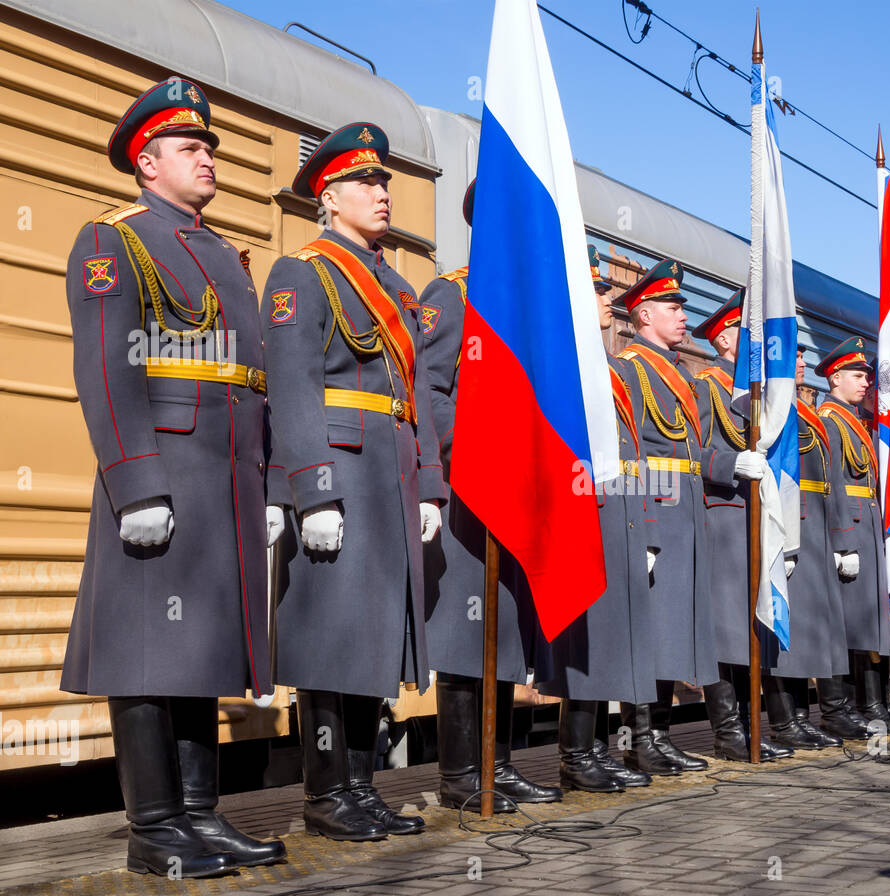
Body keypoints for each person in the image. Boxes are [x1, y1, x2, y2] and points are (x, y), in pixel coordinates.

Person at [61, 78, 285, 876]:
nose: (208, 159)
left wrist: (271, 481)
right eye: (191, 149)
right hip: (162, 467)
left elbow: (250, 375)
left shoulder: (223, 251)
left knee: (199, 651)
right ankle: (154, 827)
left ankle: (200, 813)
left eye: (210, 148)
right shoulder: (113, 238)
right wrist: (134, 480)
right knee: (149, 656)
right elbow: (105, 366)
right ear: (148, 162)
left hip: (226, 476)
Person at [262, 123, 444, 839]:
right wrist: (313, 488)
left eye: (386, 181)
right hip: (339, 468)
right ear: (328, 198)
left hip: (390, 473)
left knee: (372, 636)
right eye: (366, 182)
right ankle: (325, 795)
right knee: (329, 639)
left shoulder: (398, 288)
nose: (383, 191)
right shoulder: (300, 273)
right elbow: (293, 386)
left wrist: (430, 482)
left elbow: (420, 394)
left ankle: (362, 788)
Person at [418, 183, 561, 812]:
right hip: (470, 491)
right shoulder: (453, 293)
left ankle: (498, 767)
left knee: (504, 636)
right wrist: (472, 456)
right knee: (465, 633)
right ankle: (460, 779)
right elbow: (432, 389)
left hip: (522, 495)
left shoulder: (531, 309)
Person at [612, 262, 767, 774]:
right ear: (644, 314)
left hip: (686, 513)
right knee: (649, 631)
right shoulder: (629, 370)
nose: (683, 317)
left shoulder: (675, 374)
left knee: (673, 629)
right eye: (674, 308)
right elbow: (627, 455)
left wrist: (727, 464)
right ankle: (639, 741)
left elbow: (694, 453)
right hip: (656, 512)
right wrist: (645, 530)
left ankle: (656, 736)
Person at [538, 247, 657, 791]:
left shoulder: (606, 367)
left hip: (620, 510)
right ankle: (575, 755)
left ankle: (597, 750)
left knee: (609, 635)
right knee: (585, 637)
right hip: (584, 507)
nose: (608, 301)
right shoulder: (562, 358)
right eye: (596, 291)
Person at [690, 290, 791, 762]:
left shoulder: (758, 398)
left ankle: (753, 729)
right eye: (747, 335)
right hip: (724, 519)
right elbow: (692, 452)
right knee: (726, 630)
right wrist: (732, 463)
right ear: (728, 338)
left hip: (755, 518)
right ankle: (730, 733)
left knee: (753, 625)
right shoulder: (707, 386)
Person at [759, 349, 854, 748]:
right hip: (789, 524)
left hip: (815, 526)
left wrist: (841, 537)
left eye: (802, 354)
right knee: (788, 630)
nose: (800, 361)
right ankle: (787, 721)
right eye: (792, 354)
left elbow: (830, 480)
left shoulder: (811, 414)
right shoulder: (771, 406)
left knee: (818, 628)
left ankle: (817, 715)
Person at [815, 339, 890, 732]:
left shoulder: (851, 420)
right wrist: (842, 540)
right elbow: (834, 482)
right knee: (844, 623)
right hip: (853, 525)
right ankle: (841, 707)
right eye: (858, 376)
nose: (866, 383)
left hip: (867, 523)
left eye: (866, 376)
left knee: (865, 623)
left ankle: (868, 702)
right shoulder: (829, 420)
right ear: (835, 378)